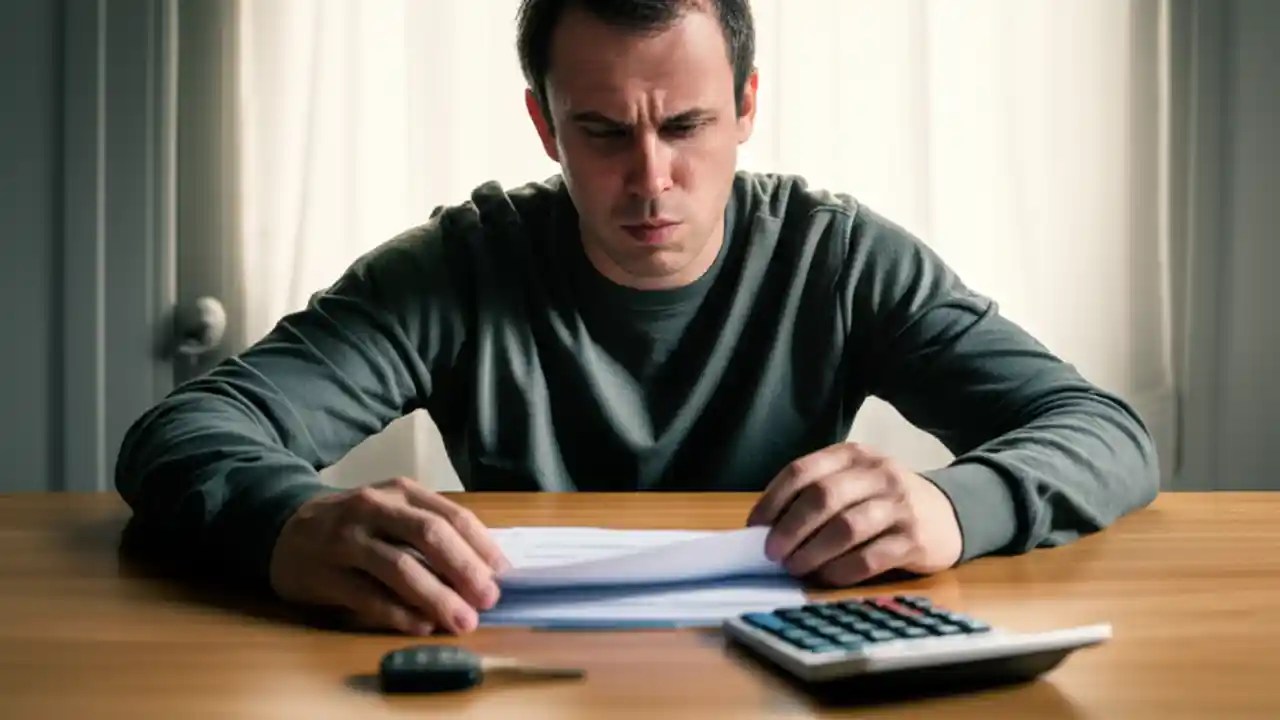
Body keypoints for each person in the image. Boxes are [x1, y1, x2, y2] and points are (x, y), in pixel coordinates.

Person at [115, 0, 1159, 638]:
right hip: (524, 679)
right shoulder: (457, 266)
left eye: (689, 125)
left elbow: (1102, 432)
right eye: (603, 131)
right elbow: (181, 435)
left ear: (747, 104)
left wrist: (950, 509)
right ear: (543, 124)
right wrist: (286, 524)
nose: (649, 180)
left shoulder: (838, 257)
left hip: (775, 676)